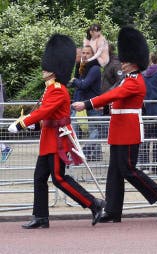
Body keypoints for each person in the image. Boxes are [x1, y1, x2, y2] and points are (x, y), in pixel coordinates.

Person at [71, 27, 157, 223]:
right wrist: (107, 109)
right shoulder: (126, 79)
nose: (122, 64)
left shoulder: (135, 81)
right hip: (118, 128)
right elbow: (117, 101)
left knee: (128, 169)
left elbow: (113, 95)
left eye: (125, 62)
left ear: (134, 63)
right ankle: (112, 210)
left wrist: (87, 103)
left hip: (129, 129)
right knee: (115, 171)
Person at [7, 34, 105, 228]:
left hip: (58, 140)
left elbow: (44, 111)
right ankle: (41, 217)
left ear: (54, 70)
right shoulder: (50, 88)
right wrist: (32, 123)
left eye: (47, 68)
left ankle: (94, 203)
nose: (43, 70)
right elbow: (45, 116)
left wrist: (22, 124)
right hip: (48, 139)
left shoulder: (58, 90)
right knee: (40, 178)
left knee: (59, 178)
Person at [69, 45, 103, 161]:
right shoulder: (81, 66)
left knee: (94, 130)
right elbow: (78, 84)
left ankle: (83, 152)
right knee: (74, 129)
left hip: (92, 104)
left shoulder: (95, 69)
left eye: (87, 53)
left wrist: (75, 81)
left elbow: (84, 84)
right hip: (79, 103)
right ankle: (79, 154)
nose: (84, 55)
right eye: (83, 53)